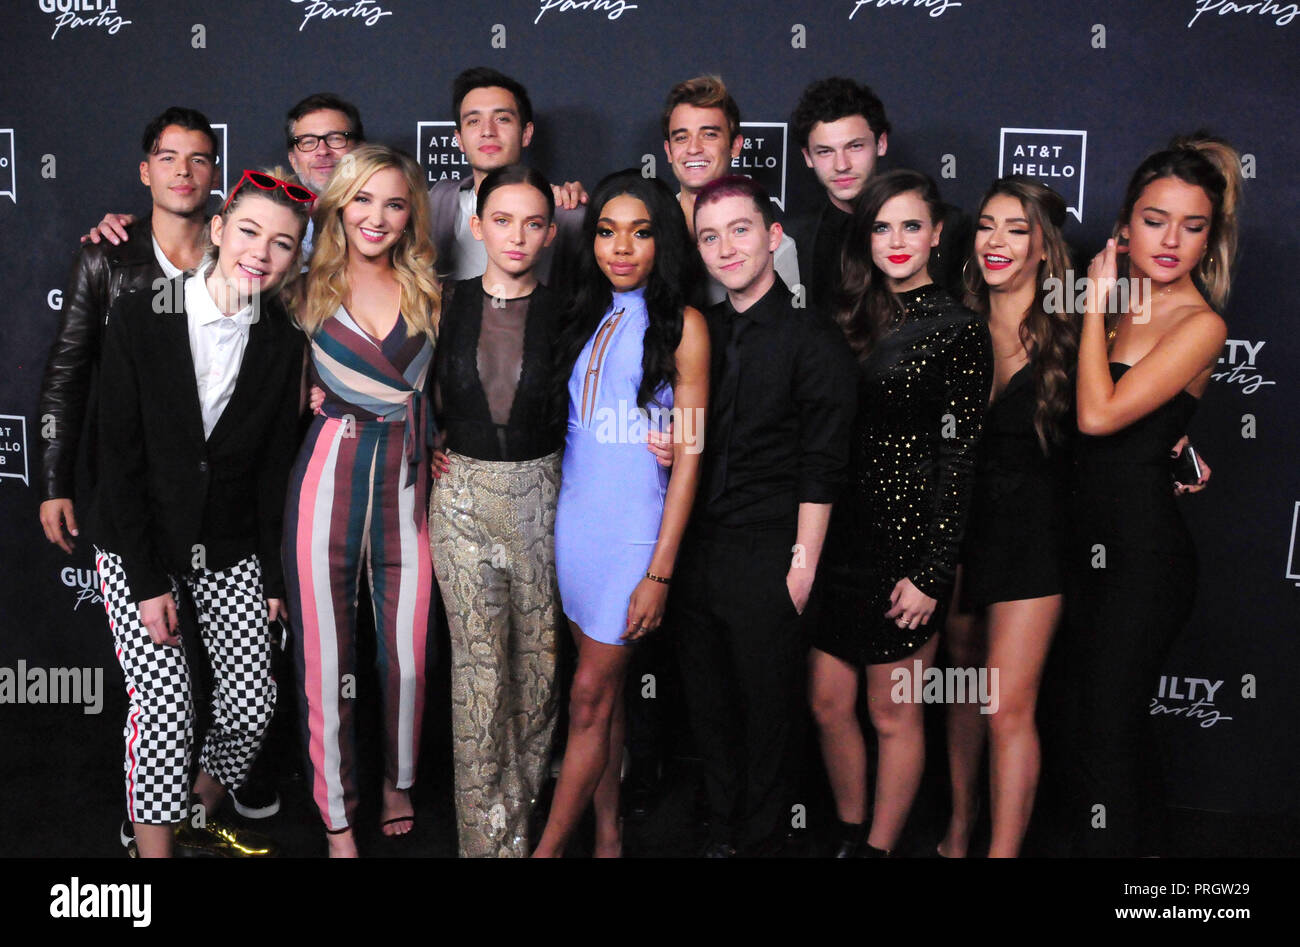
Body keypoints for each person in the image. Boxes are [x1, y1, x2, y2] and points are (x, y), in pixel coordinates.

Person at [93, 165, 313, 858]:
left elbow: (274, 468)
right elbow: (117, 458)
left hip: (229, 543)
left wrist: (273, 580)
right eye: (249, 230)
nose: (261, 252)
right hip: (141, 542)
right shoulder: (139, 313)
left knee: (251, 702)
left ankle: (190, 809)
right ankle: (151, 859)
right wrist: (146, 579)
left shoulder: (283, 342)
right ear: (217, 229)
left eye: (283, 243)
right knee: (164, 708)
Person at [1066, 133, 1241, 857]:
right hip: (1081, 543)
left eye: (1192, 225)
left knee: (1107, 726)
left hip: (1144, 556)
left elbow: (1097, 414)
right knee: (1095, 727)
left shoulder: (1202, 323)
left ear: (1210, 237)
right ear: (1125, 224)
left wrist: (1092, 307)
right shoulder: (1121, 299)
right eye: (1154, 218)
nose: (1171, 240)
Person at [673, 175, 856, 857]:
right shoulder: (701, 331)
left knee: (769, 714)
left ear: (774, 237)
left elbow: (823, 462)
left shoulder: (816, 340)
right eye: (710, 236)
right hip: (698, 550)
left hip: (771, 550)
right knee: (709, 709)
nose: (726, 248)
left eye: (740, 230)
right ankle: (723, 835)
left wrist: (802, 564)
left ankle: (760, 841)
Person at [811, 169, 991, 857]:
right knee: (828, 700)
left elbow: (960, 460)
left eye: (911, 225)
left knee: (893, 711)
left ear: (938, 234)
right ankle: (852, 832)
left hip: (907, 543)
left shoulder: (959, 331)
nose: (896, 240)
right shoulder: (842, 315)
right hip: (838, 539)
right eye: (881, 226)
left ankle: (879, 848)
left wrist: (933, 571)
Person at [532, 170, 709, 858]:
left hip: (635, 534)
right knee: (600, 703)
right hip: (573, 527)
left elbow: (689, 456)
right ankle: (608, 835)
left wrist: (660, 571)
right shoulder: (585, 311)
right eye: (607, 231)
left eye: (640, 232)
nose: (622, 247)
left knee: (586, 698)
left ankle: (546, 852)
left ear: (663, 241)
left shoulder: (686, 326)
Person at [282, 143, 440, 858]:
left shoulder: (433, 288)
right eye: (364, 199)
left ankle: (397, 781)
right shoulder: (297, 285)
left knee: (406, 654)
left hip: (409, 487)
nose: (377, 216)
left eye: (395, 203)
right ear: (339, 203)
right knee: (325, 660)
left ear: (411, 217)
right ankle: (338, 815)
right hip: (325, 482)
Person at [938, 177, 1078, 858]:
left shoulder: (1073, 337)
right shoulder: (952, 323)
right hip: (957, 530)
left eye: (1016, 229)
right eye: (987, 225)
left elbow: (1124, 422)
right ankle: (959, 831)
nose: (995, 242)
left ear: (1045, 249)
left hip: (1032, 539)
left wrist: (1180, 449)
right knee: (963, 684)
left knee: (1004, 703)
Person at [430, 164, 566, 856]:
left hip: (545, 496)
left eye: (534, 222)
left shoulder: (568, 310)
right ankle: (485, 847)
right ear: (477, 226)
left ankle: (523, 829)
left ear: (549, 233)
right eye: (502, 219)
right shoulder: (440, 301)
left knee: (537, 678)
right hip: (460, 499)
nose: (518, 235)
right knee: (482, 675)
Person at [39, 107, 216, 557]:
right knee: (147, 626)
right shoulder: (104, 258)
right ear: (145, 172)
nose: (182, 171)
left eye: (198, 159)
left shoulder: (238, 257)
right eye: (167, 157)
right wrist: (54, 482)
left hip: (220, 496)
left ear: (213, 171)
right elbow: (68, 374)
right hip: (131, 491)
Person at [81, 93, 366, 251]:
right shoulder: (254, 229)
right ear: (293, 158)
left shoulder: (389, 224)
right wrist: (132, 231)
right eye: (307, 142)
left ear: (360, 149)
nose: (322, 151)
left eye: (337, 138)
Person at [787, 77, 970, 303]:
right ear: (808, 157)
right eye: (825, 151)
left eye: (855, 146)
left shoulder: (949, 228)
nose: (841, 165)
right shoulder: (793, 240)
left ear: (881, 143)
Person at [431, 67, 585, 285]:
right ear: (459, 139)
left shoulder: (564, 212)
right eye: (473, 121)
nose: (487, 131)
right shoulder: (436, 203)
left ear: (526, 133)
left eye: (502, 119)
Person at [660, 75, 800, 304]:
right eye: (682, 137)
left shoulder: (774, 246)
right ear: (668, 151)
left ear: (735, 146)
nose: (694, 148)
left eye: (709, 135)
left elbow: (784, 333)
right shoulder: (645, 230)